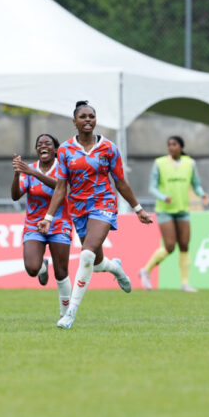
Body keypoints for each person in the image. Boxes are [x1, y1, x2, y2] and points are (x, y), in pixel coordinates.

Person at [38, 100, 153, 329]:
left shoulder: (109, 148)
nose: (88, 120)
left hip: (104, 205)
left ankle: (70, 313)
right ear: (75, 121)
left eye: (91, 116)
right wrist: (48, 218)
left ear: (95, 119)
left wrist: (138, 209)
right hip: (78, 210)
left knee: (86, 255)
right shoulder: (65, 151)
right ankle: (116, 268)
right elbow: (61, 187)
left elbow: (120, 182)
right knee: (97, 262)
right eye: (83, 117)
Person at [11, 134, 73, 318]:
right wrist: (17, 175)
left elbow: (63, 188)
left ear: (55, 149)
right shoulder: (29, 170)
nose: (43, 146)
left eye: (47, 143)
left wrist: (35, 174)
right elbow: (15, 196)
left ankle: (65, 314)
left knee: (61, 272)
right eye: (39, 144)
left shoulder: (62, 168)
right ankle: (42, 267)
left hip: (59, 223)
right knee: (32, 269)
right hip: (34, 225)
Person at [139, 135, 209, 292]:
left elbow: (196, 185)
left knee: (184, 245)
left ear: (181, 147)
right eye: (169, 144)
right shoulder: (159, 163)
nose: (171, 147)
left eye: (174, 144)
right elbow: (152, 187)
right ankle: (146, 270)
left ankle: (185, 283)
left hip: (183, 210)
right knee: (170, 246)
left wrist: (202, 194)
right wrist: (164, 197)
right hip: (165, 210)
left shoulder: (190, 163)